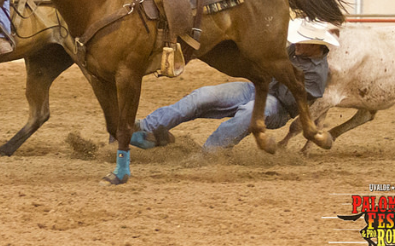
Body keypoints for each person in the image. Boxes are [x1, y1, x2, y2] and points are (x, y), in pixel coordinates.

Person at [130, 18, 339, 151]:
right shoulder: (296, 50)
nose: (297, 44)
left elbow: (293, 101)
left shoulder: (317, 75)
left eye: (303, 41)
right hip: (257, 89)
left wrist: (276, 75)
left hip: (278, 107)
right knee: (202, 96)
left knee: (249, 113)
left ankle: (211, 151)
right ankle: (146, 126)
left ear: (316, 46)